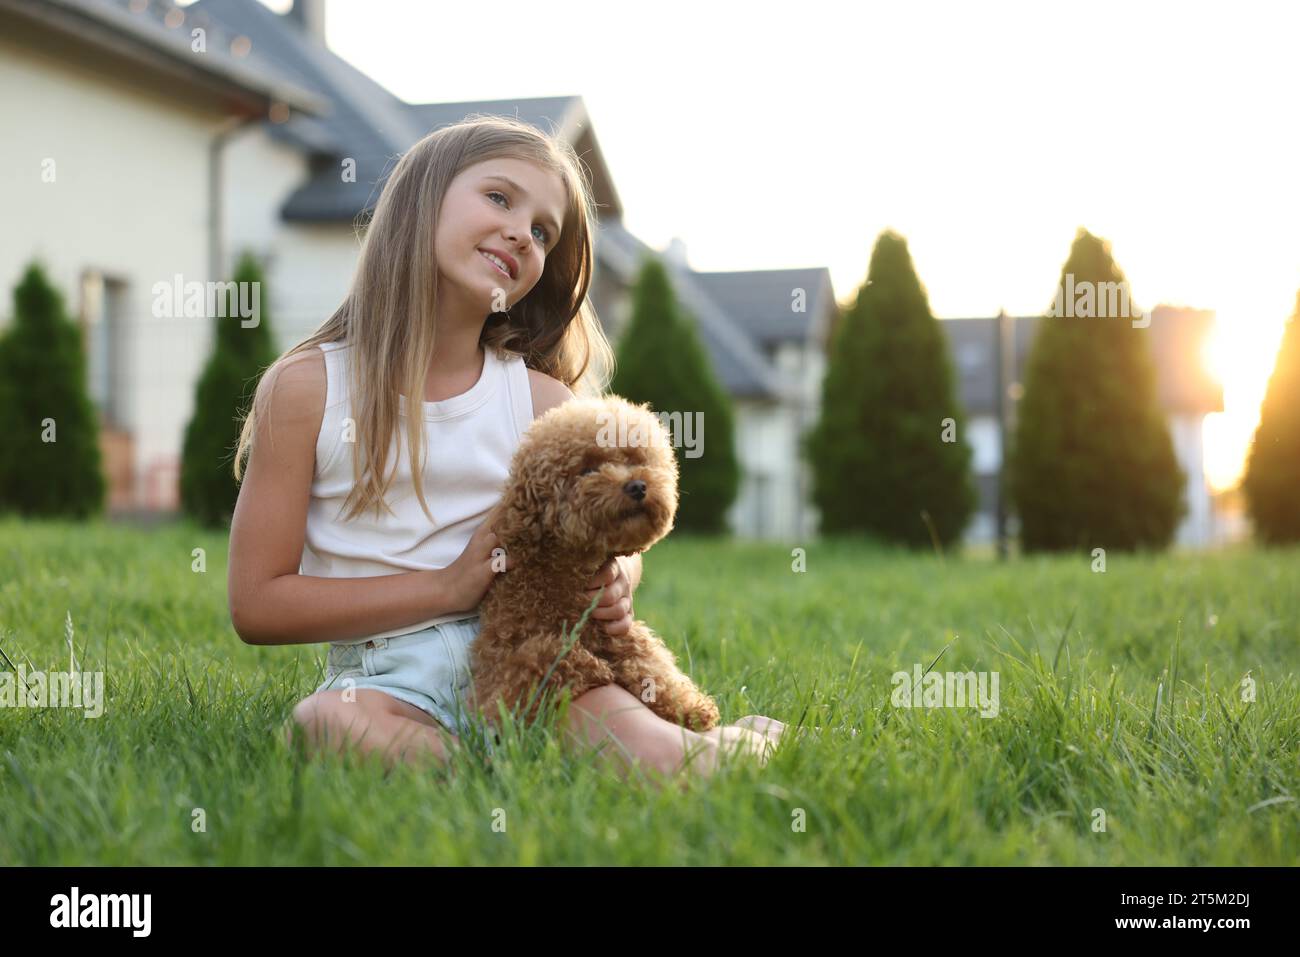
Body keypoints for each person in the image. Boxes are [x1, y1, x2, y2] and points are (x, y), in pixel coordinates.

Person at [226, 114, 784, 786]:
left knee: (673, 767)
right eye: (499, 198)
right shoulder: (308, 388)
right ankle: (506, 769)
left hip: (542, 657)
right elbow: (257, 602)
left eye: (544, 231)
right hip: (388, 679)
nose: (523, 231)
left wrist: (617, 582)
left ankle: (735, 746)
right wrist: (445, 587)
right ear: (419, 203)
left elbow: (606, 535)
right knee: (322, 722)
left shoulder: (542, 403)